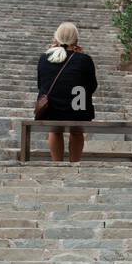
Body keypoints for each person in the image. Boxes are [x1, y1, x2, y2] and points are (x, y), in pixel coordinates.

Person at [36, 22, 97, 163]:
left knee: (55, 130)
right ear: (76, 39)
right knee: (77, 130)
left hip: (50, 110)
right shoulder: (85, 60)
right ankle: (74, 163)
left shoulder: (44, 58)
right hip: (78, 109)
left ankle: (57, 163)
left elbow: (41, 85)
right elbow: (92, 86)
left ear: (56, 38)